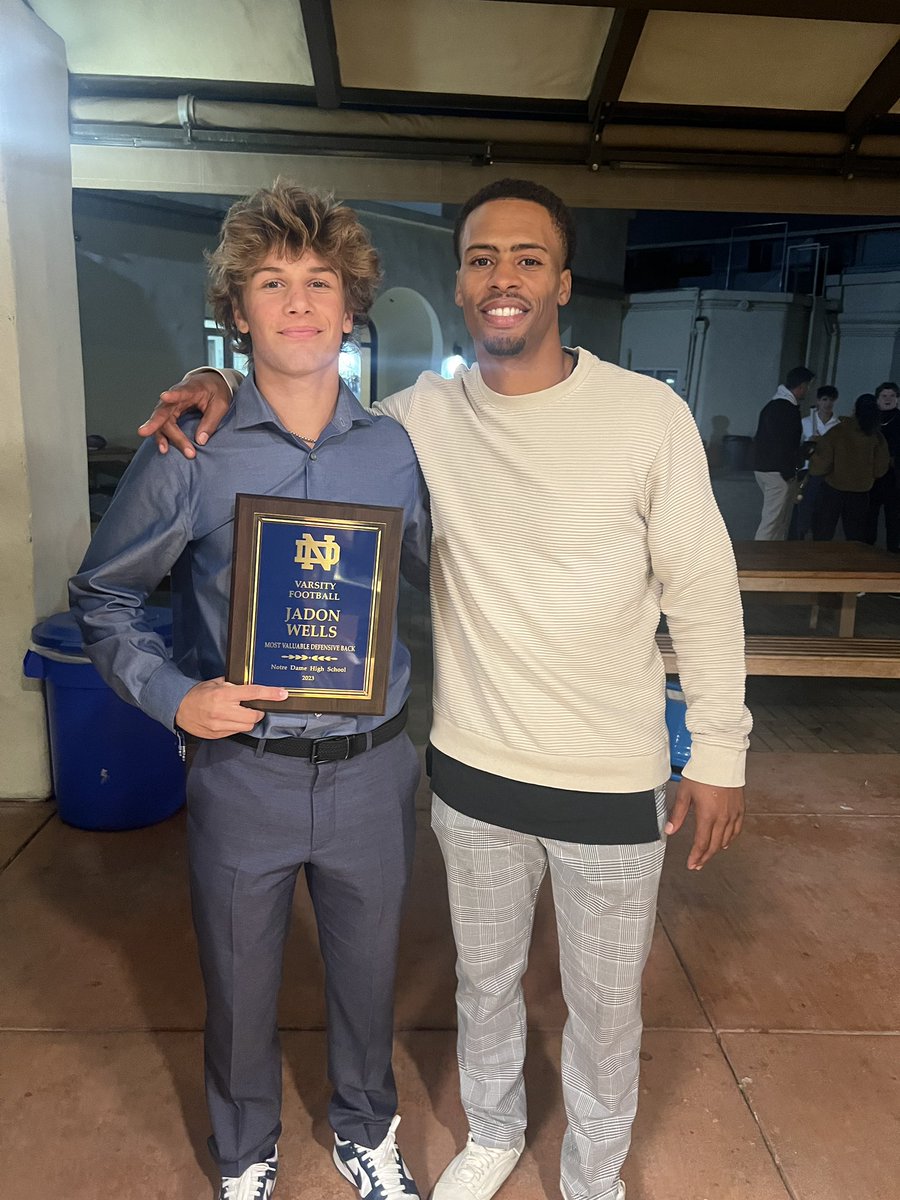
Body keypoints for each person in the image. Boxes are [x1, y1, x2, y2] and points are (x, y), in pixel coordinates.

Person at [141, 178, 750, 1200]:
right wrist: (218, 377)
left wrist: (719, 751)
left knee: (607, 1009)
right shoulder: (417, 420)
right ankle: (496, 1133)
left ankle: (594, 1176)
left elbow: (703, 588)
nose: (503, 277)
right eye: (480, 259)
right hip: (472, 770)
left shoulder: (648, 416)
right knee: (485, 982)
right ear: (461, 285)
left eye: (527, 258)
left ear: (563, 282)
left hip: (612, 774)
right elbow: (303, 400)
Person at [69, 183, 431, 1200]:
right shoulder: (191, 450)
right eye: (272, 283)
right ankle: (244, 1150)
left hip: (371, 769)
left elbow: (452, 573)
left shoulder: (400, 450)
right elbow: (102, 595)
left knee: (368, 975)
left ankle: (366, 1128)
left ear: (352, 309)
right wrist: (174, 696)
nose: (299, 302)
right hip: (244, 771)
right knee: (238, 981)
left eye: (320, 282)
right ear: (237, 310)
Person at [810, 392, 889, 542]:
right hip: (860, 492)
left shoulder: (838, 431)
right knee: (855, 536)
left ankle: (819, 557)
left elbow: (821, 464)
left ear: (855, 409)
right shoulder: (876, 437)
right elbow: (880, 469)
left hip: (833, 489)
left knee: (823, 533)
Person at [752, 366, 814, 540]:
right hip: (778, 471)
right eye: (808, 386)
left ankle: (770, 554)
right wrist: (791, 469)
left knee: (777, 521)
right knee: (773, 523)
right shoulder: (786, 408)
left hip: (765, 467)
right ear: (802, 386)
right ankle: (760, 555)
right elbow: (784, 444)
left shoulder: (774, 405)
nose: (808, 390)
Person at [790, 385, 840, 540]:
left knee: (823, 511)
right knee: (803, 508)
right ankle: (797, 538)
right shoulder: (806, 422)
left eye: (831, 400)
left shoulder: (838, 425)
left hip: (828, 473)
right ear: (818, 401)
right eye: (824, 399)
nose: (828, 403)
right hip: (808, 471)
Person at [865, 381, 900, 553]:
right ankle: (867, 547)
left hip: (894, 475)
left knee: (893, 515)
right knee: (870, 513)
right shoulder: (870, 419)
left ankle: (893, 549)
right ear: (877, 399)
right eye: (884, 396)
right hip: (872, 474)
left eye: (892, 396)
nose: (888, 399)